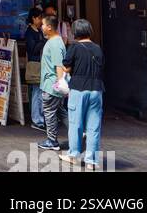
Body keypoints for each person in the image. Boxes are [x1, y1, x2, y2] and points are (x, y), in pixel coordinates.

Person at [60, 18, 105, 169]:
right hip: (96, 89)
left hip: (79, 89)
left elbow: (66, 68)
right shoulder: (97, 48)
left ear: (75, 32)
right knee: (94, 126)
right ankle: (92, 161)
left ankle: (73, 155)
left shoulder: (74, 47)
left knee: (76, 124)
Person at [36, 12, 67, 153]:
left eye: (42, 24)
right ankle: (78, 132)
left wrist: (60, 83)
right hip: (53, 85)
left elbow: (59, 65)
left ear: (49, 27)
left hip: (51, 85)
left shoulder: (54, 44)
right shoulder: (56, 41)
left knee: (49, 113)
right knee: (60, 112)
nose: (41, 27)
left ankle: (52, 141)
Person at [24, 7, 46, 131]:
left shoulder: (39, 31)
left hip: (42, 64)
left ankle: (40, 118)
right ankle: (37, 119)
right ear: (33, 18)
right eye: (39, 18)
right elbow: (32, 49)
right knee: (37, 92)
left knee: (40, 92)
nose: (41, 20)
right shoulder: (30, 32)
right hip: (35, 64)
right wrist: (43, 41)